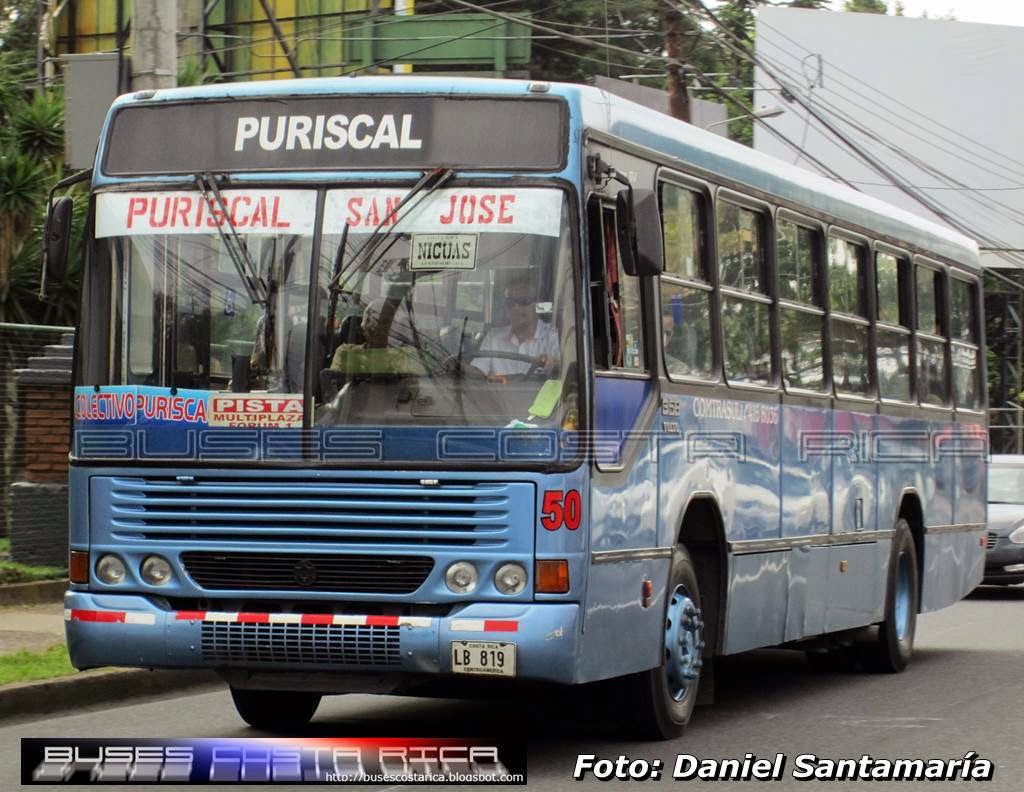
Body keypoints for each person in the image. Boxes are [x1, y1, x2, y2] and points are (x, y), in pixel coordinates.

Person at [471, 275, 560, 379]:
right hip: (499, 390)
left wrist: (556, 364)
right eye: (511, 303)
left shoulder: (554, 337)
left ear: (538, 304)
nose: (516, 308)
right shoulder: (493, 337)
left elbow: (567, 371)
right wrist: (460, 367)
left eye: (524, 301)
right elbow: (478, 371)